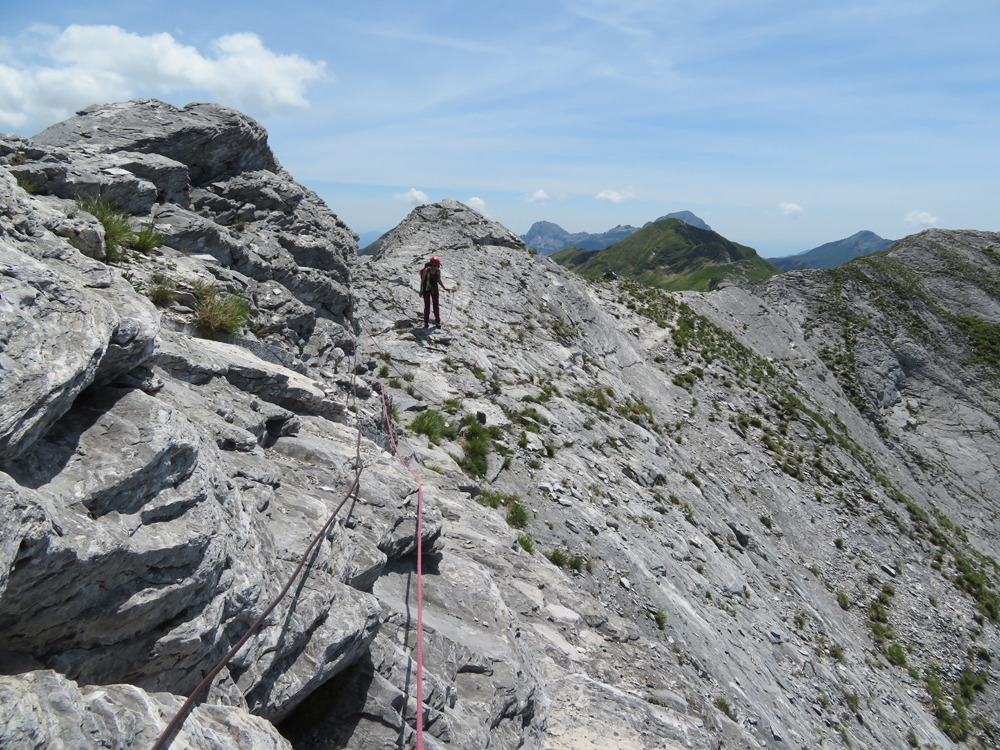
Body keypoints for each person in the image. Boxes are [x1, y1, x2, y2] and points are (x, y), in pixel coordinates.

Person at [419, 256, 452, 328]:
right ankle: (426, 322)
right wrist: (421, 290)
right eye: (434, 266)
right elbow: (423, 281)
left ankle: (437, 321)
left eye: (437, 266)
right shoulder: (426, 271)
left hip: (435, 289)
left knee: (436, 306)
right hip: (426, 290)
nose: (436, 267)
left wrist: (444, 288)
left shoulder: (438, 271)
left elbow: (439, 280)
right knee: (427, 306)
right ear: (431, 265)